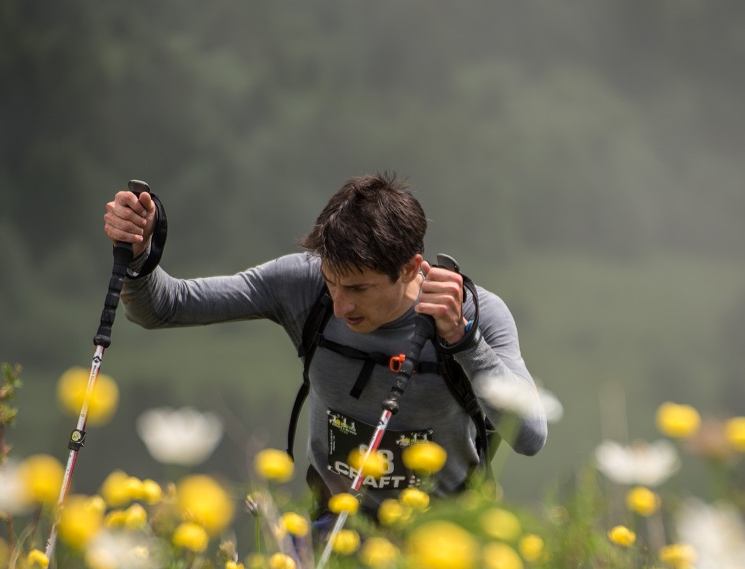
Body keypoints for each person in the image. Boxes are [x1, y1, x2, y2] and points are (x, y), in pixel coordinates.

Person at [103, 173, 547, 539]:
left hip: (448, 540)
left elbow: (529, 436)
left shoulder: (475, 314)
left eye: (358, 288)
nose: (340, 306)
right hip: (334, 532)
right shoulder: (303, 285)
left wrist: (464, 341)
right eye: (332, 282)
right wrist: (141, 254)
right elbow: (165, 307)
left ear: (411, 268)